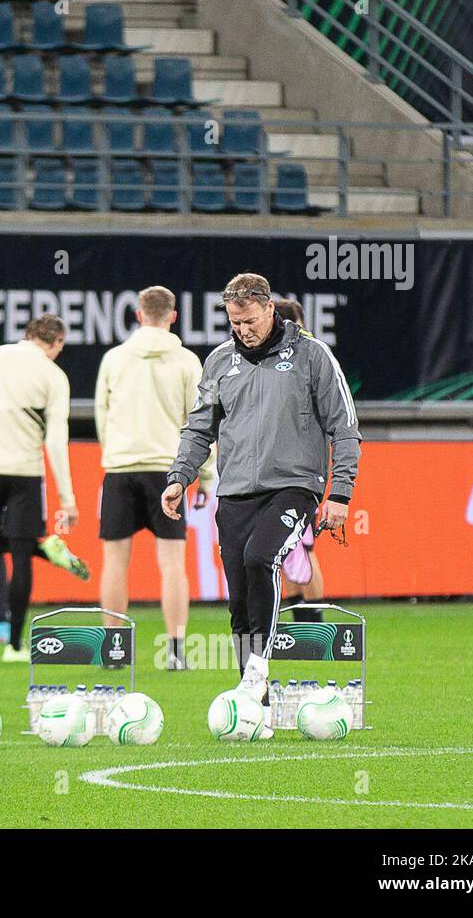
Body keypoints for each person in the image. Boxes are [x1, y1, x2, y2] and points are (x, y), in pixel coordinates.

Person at [163, 274, 360, 737]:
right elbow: (198, 430)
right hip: (234, 493)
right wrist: (179, 477)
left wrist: (340, 492)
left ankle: (258, 668)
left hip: (294, 487)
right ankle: (258, 708)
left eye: (250, 320)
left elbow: (344, 427)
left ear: (270, 309)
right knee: (239, 602)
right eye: (235, 322)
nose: (243, 330)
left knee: (262, 558)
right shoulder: (217, 362)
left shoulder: (313, 356)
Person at [95, 286, 215, 670]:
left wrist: (113, 453)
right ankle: (177, 651)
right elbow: (201, 422)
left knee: (115, 561)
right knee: (173, 563)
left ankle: (114, 651)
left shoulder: (114, 359)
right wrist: (206, 476)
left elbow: (102, 415)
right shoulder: (186, 361)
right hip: (168, 471)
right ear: (173, 316)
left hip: (121, 467)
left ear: (138, 314)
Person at [0, 314, 83, 663]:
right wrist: (67, 499)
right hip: (25, 472)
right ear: (57, 343)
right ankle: (14, 645)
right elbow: (57, 441)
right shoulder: (54, 376)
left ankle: (12, 631)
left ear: (26, 335)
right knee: (22, 554)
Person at [273, 297, 326, 624]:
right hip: (280, 469)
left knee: (302, 546)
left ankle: (316, 624)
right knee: (285, 548)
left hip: (299, 471)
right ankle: (300, 623)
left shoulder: (308, 361)